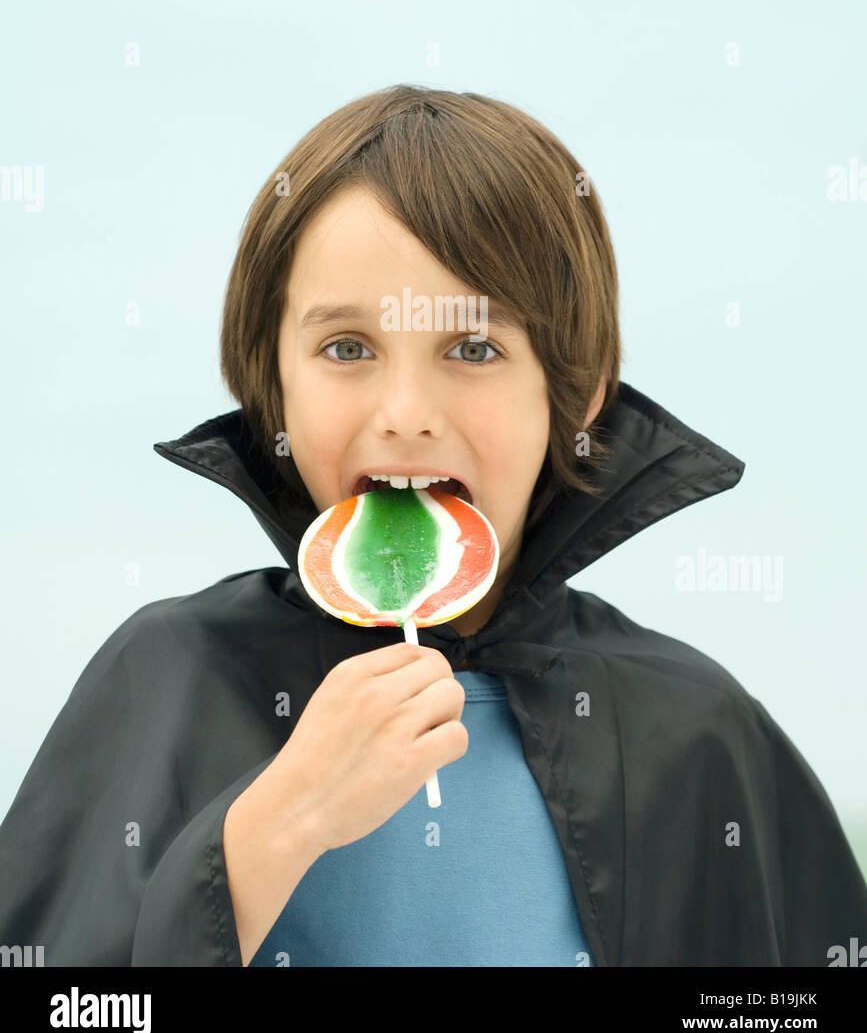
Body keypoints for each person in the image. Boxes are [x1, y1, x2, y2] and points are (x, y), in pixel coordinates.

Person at [1, 85, 864, 967]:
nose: (406, 412)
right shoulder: (169, 675)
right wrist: (277, 824)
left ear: (577, 393)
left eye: (474, 349)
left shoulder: (694, 726)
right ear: (274, 386)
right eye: (346, 348)